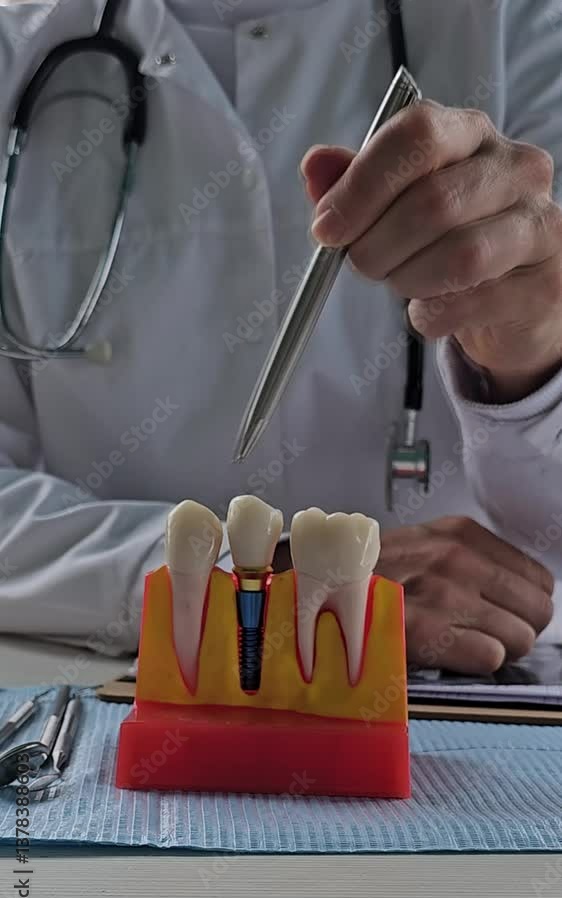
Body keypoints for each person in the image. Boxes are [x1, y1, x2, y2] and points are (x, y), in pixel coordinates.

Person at [0, 0, 560, 674]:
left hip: (477, 688)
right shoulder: (15, 53)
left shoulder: (520, 27)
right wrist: (247, 575)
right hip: (130, 698)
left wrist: (531, 357)